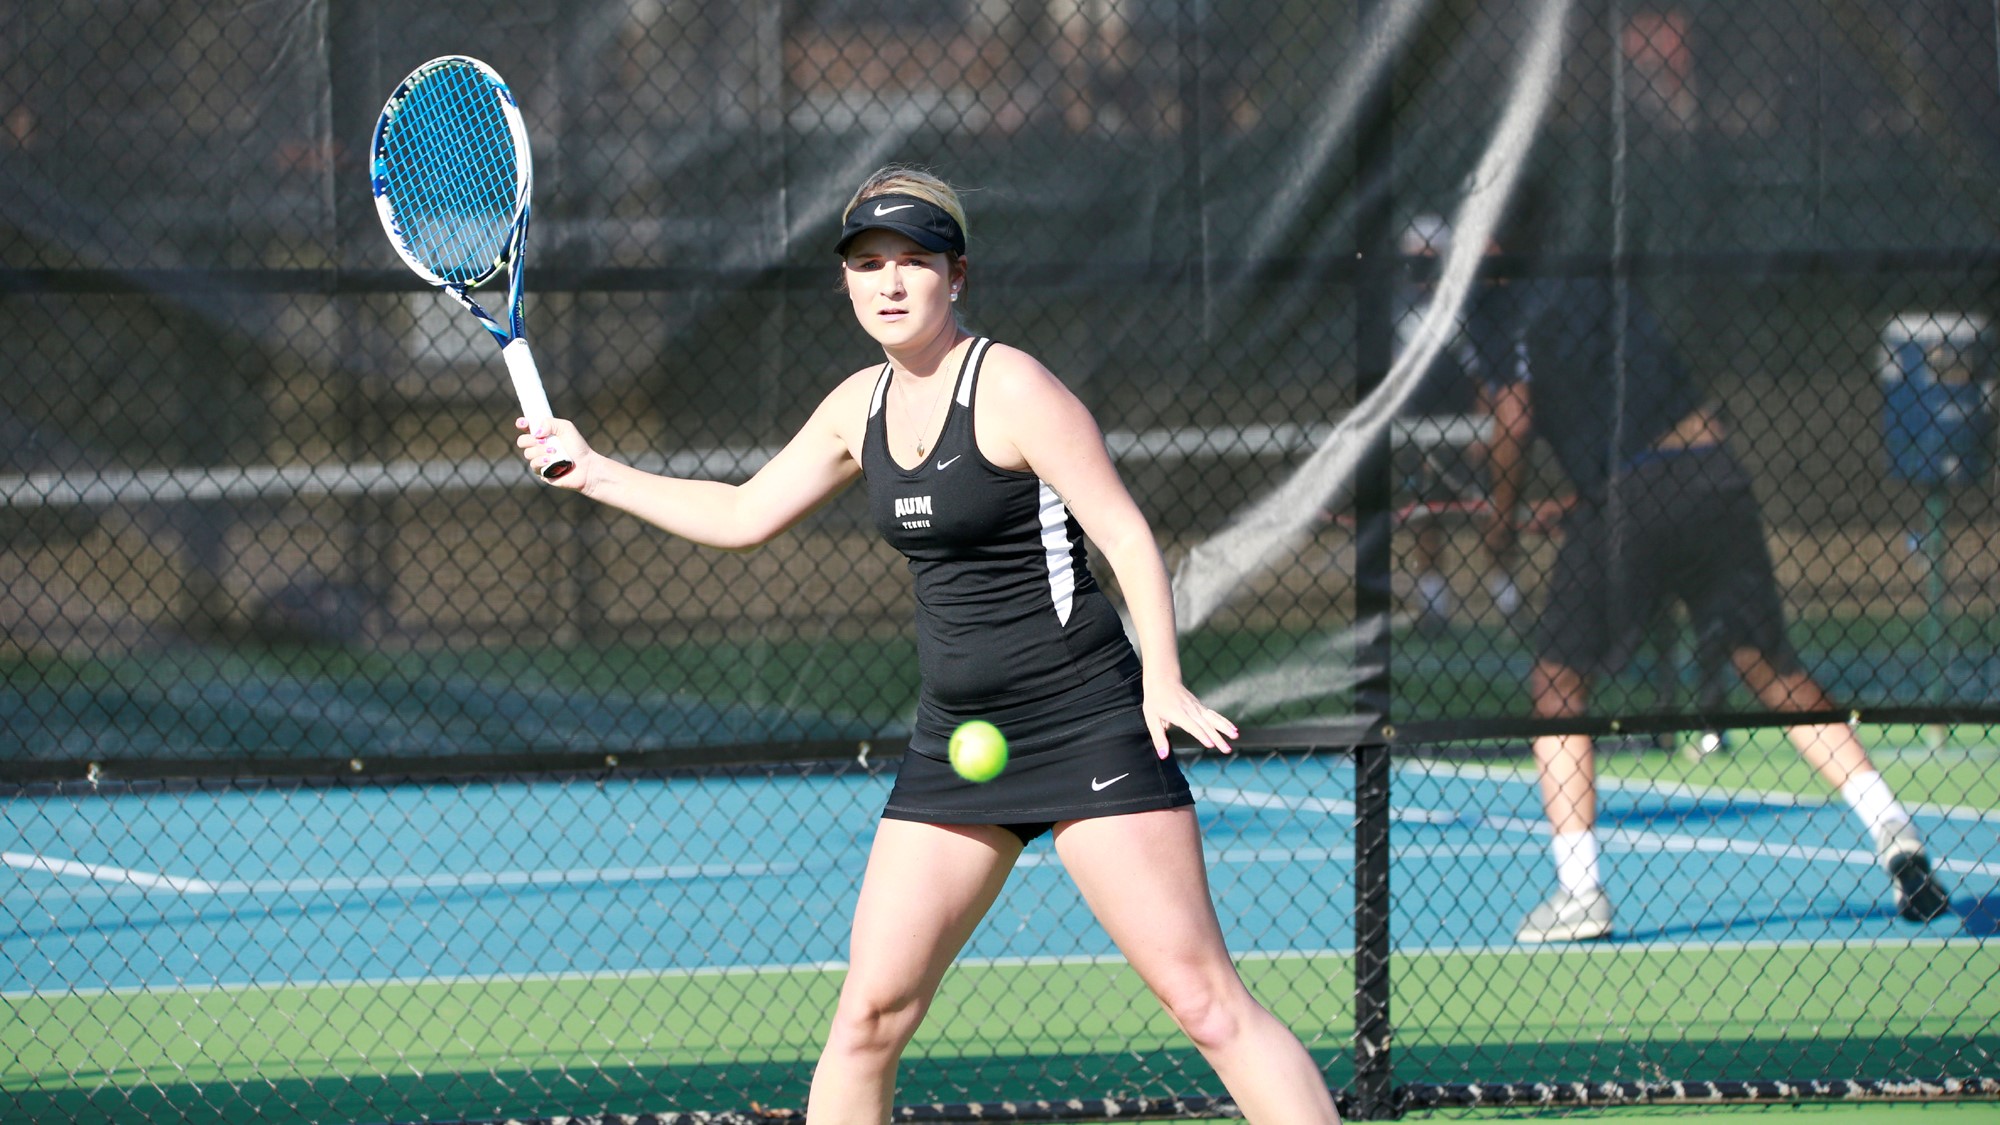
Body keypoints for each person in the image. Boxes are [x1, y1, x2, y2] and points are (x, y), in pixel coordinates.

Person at [516, 166, 1341, 1123]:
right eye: (869, 263)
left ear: (958, 275)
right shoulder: (853, 407)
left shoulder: (1014, 386)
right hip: (956, 742)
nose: (891, 282)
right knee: (868, 1015)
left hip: (1087, 727)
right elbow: (743, 513)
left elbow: (1122, 531)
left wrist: (1161, 677)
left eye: (914, 261)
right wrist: (597, 472)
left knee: (1205, 1004)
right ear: (848, 282)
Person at [1468, 238, 1953, 944]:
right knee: (1774, 671)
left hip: (1629, 500)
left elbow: (1513, 420)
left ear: (1495, 239)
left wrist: (1503, 521)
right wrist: (1583, 501)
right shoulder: (1597, 282)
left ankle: (1579, 891)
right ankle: (1892, 826)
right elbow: (1629, 414)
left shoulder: (1499, 308)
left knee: (1556, 685)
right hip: (1710, 474)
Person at [1392, 213, 1522, 633]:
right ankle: (1433, 607)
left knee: (1491, 510)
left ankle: (1508, 602)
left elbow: (1484, 371)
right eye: (1418, 255)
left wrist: (1483, 426)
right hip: (1415, 427)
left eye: (1433, 255)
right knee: (1424, 515)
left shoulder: (1467, 306)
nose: (1424, 263)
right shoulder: (1395, 306)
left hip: (1467, 425)